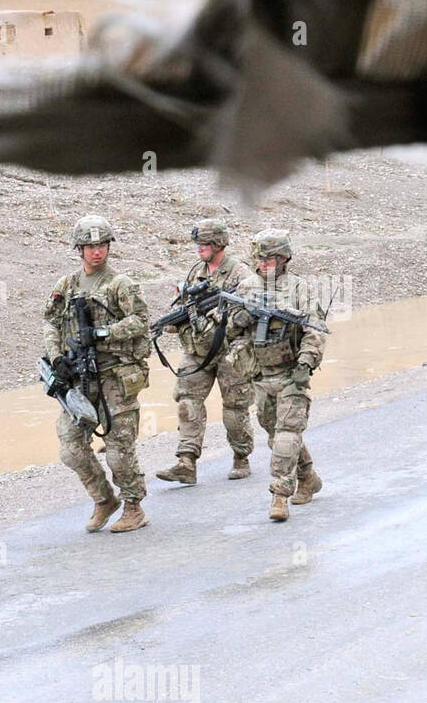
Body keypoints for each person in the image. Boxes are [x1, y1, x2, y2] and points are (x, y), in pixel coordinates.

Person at [43, 214, 152, 533]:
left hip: (115, 377)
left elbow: (141, 321)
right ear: (79, 249)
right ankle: (104, 499)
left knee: (119, 451)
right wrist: (56, 356)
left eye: (102, 244)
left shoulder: (121, 284)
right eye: (90, 246)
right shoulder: (67, 284)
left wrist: (104, 334)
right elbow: (50, 322)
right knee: (71, 447)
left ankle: (134, 506)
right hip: (78, 377)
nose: (96, 251)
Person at [155, 218, 263, 485]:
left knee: (234, 408)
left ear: (219, 244)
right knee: (187, 401)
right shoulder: (196, 272)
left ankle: (241, 456)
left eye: (205, 243)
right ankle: (186, 462)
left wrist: (224, 316)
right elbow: (187, 303)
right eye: (198, 243)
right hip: (198, 350)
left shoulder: (240, 273)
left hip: (231, 351)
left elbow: (253, 308)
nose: (200, 248)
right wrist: (176, 322)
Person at [242, 229, 327, 521]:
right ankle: (309, 478)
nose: (266, 263)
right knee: (276, 435)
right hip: (260, 375)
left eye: (273, 258)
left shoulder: (300, 289)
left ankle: (280, 496)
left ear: (284, 258)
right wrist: (240, 317)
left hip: (292, 374)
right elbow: (230, 330)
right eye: (262, 258)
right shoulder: (246, 287)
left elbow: (314, 330)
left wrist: (306, 363)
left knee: (287, 437)